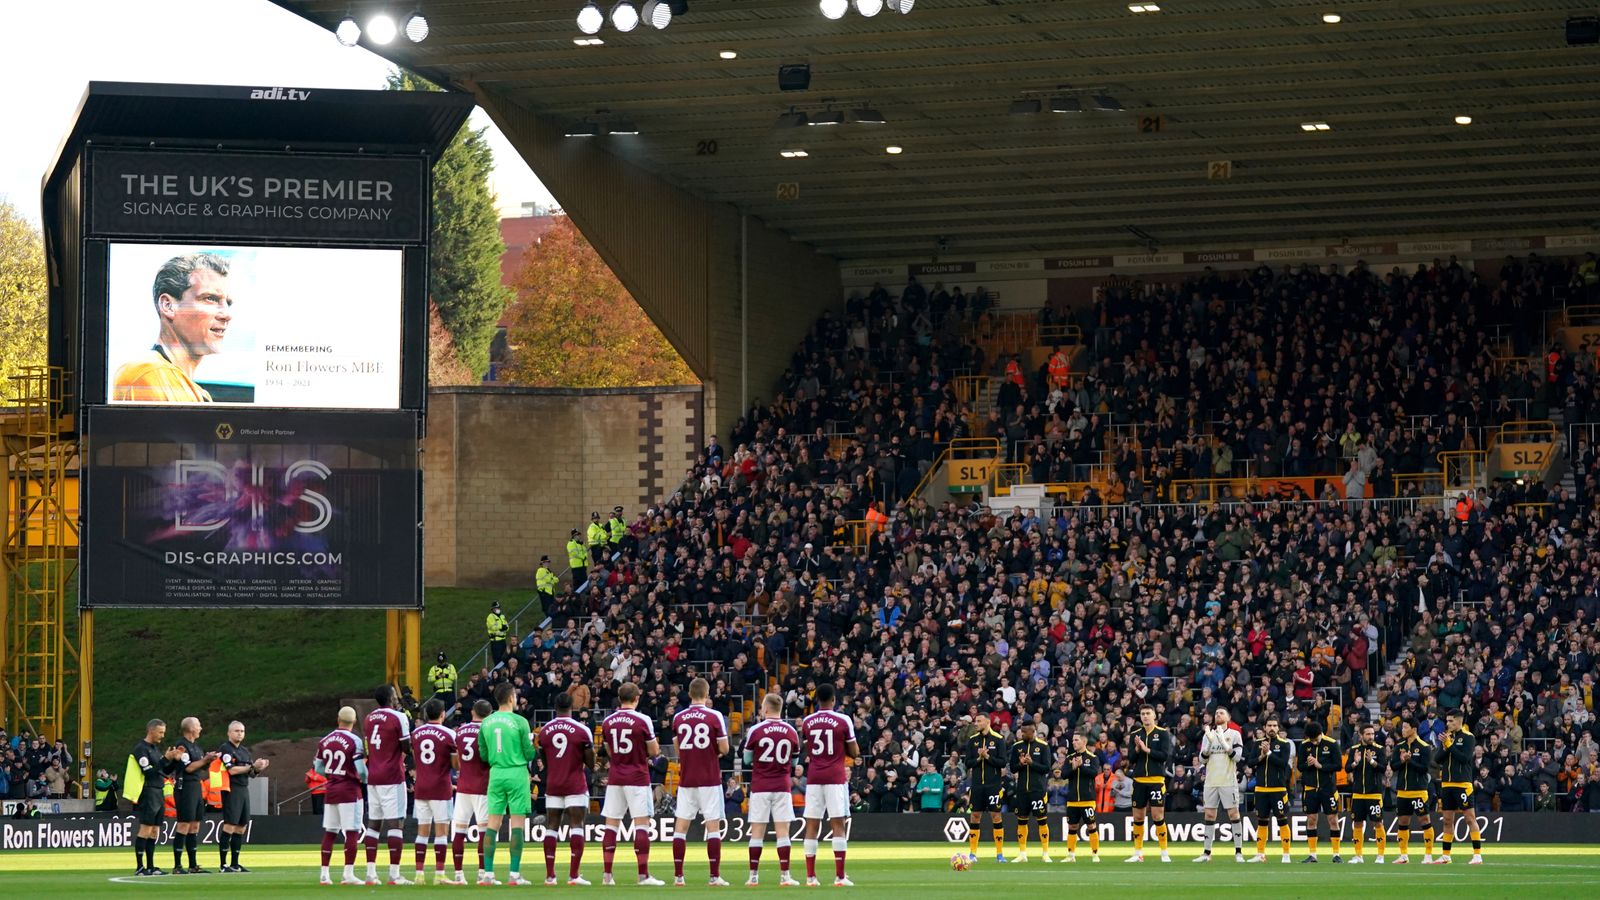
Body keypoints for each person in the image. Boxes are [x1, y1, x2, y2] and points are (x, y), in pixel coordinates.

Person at [112, 252, 233, 403]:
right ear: (168, 306)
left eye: (228, 303)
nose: (227, 314)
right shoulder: (148, 373)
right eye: (210, 299)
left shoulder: (197, 392)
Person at [599, 683, 664, 886]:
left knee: (611, 826)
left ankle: (607, 876)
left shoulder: (608, 721)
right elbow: (654, 751)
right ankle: (643, 875)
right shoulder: (643, 720)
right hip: (637, 777)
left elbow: (609, 750)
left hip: (616, 777)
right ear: (636, 699)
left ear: (620, 699)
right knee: (641, 826)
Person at [671, 676, 731, 887]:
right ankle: (714, 876)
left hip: (687, 778)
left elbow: (678, 749)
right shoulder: (714, 716)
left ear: (689, 694)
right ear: (707, 695)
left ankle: (678, 876)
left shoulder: (678, 718)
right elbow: (724, 749)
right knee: (713, 828)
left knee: (681, 828)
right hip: (709, 778)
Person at [800, 681, 858, 887]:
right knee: (837, 824)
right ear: (834, 699)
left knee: (812, 825)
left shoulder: (807, 721)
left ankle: (810, 877)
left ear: (817, 701)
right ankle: (840, 877)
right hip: (835, 777)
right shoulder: (843, 720)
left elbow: (806, 749)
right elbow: (855, 752)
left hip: (815, 777)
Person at [742, 693, 801, 886]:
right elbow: (794, 762)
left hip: (760, 786)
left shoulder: (756, 730)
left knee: (757, 832)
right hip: (782, 787)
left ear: (766, 708)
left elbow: (747, 760)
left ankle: (753, 877)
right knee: (783, 832)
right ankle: (785, 876)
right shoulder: (791, 731)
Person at [537, 692, 595, 886]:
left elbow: (543, 756)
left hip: (554, 783)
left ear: (555, 707)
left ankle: (550, 876)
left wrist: (553, 768)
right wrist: (588, 765)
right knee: (577, 826)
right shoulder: (581, 730)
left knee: (551, 826)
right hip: (575, 783)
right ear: (573, 707)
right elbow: (590, 757)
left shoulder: (545, 730)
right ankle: (573, 875)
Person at [480, 682, 536, 885]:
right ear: (511, 698)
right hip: (516, 773)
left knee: (492, 824)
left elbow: (484, 754)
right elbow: (529, 753)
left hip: (496, 774)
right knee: (517, 824)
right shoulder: (520, 721)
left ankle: (488, 874)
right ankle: (514, 874)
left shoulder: (486, 722)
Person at [362, 684, 413, 885]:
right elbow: (406, 746)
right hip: (392, 776)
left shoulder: (368, 718)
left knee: (373, 824)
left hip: (373, 775)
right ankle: (394, 874)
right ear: (390, 698)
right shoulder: (398, 717)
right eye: (394, 695)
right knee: (395, 823)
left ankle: (370, 874)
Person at [314, 706, 367, 886]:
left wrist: (332, 775)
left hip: (331, 790)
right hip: (350, 791)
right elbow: (361, 770)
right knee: (352, 832)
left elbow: (318, 768)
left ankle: (324, 874)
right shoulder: (355, 741)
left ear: (338, 719)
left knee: (330, 832)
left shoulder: (325, 740)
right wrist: (366, 779)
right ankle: (348, 874)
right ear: (353, 722)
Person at [411, 699, 457, 885]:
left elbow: (415, 758)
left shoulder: (416, 733)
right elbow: (455, 764)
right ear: (443, 714)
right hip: (440, 786)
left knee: (422, 832)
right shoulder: (449, 734)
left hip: (421, 786)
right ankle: (439, 874)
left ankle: (419, 875)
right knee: (441, 833)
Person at [129, 718, 182, 876]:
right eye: (160, 732)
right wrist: (165, 758)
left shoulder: (154, 749)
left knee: (154, 831)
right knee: (145, 829)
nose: (162, 736)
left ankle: (151, 866)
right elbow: (149, 772)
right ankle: (140, 867)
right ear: (151, 730)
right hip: (148, 791)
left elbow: (164, 771)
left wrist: (174, 760)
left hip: (158, 792)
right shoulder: (141, 749)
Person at [450, 699, 494, 885]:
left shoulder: (459, 732)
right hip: (483, 786)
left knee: (459, 831)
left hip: (463, 787)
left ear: (473, 712)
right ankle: (482, 873)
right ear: (489, 714)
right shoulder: (488, 731)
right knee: (483, 831)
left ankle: (459, 875)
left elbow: (455, 761)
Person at [217, 720, 267, 873]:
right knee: (230, 825)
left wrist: (258, 769)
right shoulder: (225, 749)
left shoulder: (245, 751)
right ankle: (223, 864)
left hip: (244, 789)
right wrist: (251, 767)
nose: (239, 733)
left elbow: (251, 773)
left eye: (242, 731)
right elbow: (231, 770)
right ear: (229, 733)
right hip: (231, 789)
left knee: (241, 826)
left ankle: (235, 863)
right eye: (236, 731)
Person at [1195, 708, 1244, 863]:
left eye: (1221, 713)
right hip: (1211, 781)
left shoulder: (1235, 734)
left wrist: (1223, 742)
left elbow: (1237, 758)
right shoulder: (1207, 735)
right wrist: (1209, 744)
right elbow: (1202, 760)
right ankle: (1206, 853)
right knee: (1209, 815)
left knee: (1234, 815)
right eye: (1216, 713)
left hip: (1228, 781)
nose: (1218, 715)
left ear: (1228, 717)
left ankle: (1238, 853)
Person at [1435, 710, 1485, 864]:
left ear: (1459, 721)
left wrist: (1449, 745)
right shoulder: (1448, 738)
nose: (1447, 724)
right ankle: (1446, 855)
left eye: (1450, 721)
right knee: (1447, 821)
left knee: (1470, 818)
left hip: (1462, 784)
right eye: (1447, 721)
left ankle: (1477, 855)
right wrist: (1445, 745)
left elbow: (1464, 759)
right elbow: (1437, 759)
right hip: (1447, 784)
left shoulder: (1468, 737)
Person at [1126, 704, 1173, 863]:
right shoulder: (1135, 734)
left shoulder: (1162, 734)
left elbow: (1164, 756)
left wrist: (1147, 750)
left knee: (1157, 815)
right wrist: (1138, 750)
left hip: (1156, 781)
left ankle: (1164, 852)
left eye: (1148, 713)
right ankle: (1138, 853)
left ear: (1154, 716)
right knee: (1138, 816)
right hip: (1139, 780)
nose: (1145, 716)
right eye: (1143, 714)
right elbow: (1131, 759)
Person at [170, 716, 217, 874]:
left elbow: (199, 767)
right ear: (190, 729)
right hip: (185, 787)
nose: (201, 728)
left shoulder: (196, 747)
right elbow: (188, 768)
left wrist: (208, 760)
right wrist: (205, 759)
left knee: (195, 825)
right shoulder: (182, 745)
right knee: (184, 824)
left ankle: (193, 865)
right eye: (198, 725)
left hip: (196, 787)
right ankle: (177, 866)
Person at [1249, 715, 1295, 864]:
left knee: (1282, 820)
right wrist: (1261, 756)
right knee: (1262, 821)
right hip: (1261, 789)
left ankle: (1286, 854)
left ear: (1278, 728)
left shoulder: (1284, 744)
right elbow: (1250, 763)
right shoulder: (1257, 744)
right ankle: (1260, 853)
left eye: (1275, 726)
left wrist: (1269, 753)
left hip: (1278, 789)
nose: (1272, 728)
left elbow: (1283, 764)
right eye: (1269, 725)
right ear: (1265, 728)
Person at [963, 712, 1007, 863]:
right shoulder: (972, 740)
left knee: (996, 816)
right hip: (977, 785)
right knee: (975, 816)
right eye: (975, 721)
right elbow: (967, 763)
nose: (976, 723)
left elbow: (1002, 762)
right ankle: (972, 853)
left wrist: (988, 757)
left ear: (987, 722)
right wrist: (979, 758)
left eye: (979, 721)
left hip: (993, 785)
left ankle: (1000, 854)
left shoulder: (999, 739)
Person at [1394, 718, 1438, 864]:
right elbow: (1393, 767)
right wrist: (1401, 761)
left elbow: (1425, 769)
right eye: (1402, 727)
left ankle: (1428, 854)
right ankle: (1403, 855)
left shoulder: (1424, 746)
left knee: (1425, 820)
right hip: (1402, 791)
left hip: (1418, 791)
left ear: (1414, 729)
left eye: (1405, 727)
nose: (1402, 730)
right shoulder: (1399, 746)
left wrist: (1409, 761)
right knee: (1402, 821)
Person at [1008, 717, 1053, 863]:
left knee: (1042, 821)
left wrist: (1032, 763)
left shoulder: (1043, 746)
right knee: (1021, 821)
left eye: (1024, 732)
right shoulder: (1017, 747)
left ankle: (1045, 853)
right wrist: (1021, 764)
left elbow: (1046, 768)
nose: (1021, 734)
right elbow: (1013, 768)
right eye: (1021, 731)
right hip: (1022, 790)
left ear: (1032, 731)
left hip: (1037, 790)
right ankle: (1022, 853)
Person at [1298, 720, 1341, 863]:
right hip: (1310, 788)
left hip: (1327, 788)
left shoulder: (1332, 743)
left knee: (1332, 819)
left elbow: (1338, 766)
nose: (1314, 742)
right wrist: (1308, 764)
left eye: (1316, 739)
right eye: (1312, 740)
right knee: (1311, 819)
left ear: (1321, 734)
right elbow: (1300, 767)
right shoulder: (1304, 745)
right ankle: (1312, 854)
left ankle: (1336, 854)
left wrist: (1320, 765)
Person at [1344, 722, 1387, 864]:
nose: (1371, 736)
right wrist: (1355, 762)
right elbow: (1347, 769)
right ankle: (1358, 855)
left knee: (1378, 823)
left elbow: (1383, 768)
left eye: (1372, 734)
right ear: (1361, 735)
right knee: (1357, 824)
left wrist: (1372, 762)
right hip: (1357, 794)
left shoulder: (1379, 749)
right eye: (1368, 734)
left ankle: (1380, 855)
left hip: (1374, 793)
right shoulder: (1354, 750)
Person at [1060, 732, 1101, 862]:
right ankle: (1071, 855)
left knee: (1091, 826)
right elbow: (1063, 775)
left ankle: (1095, 854)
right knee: (1072, 827)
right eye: (1073, 740)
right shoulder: (1069, 758)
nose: (1073, 742)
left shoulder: (1092, 757)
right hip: (1072, 800)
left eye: (1076, 740)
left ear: (1083, 742)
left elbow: (1094, 773)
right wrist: (1073, 767)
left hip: (1087, 799)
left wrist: (1081, 766)